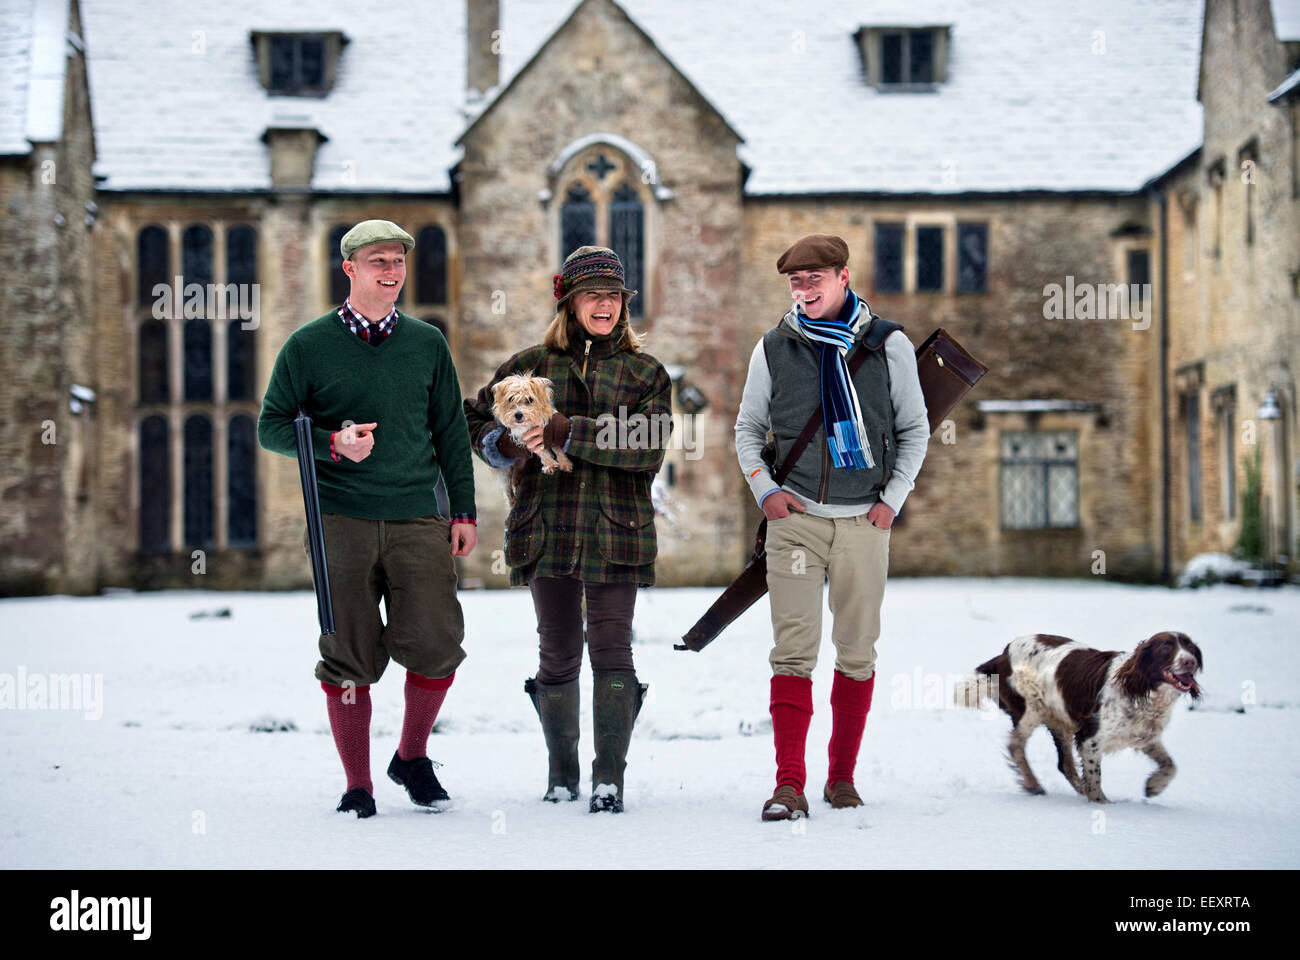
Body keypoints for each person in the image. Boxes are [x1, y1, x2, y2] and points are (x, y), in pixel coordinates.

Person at [257, 219, 478, 818]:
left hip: (416, 517)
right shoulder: (307, 346)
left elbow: (451, 432)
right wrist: (331, 441)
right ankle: (359, 784)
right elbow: (272, 426)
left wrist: (462, 509)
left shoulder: (427, 343)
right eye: (378, 261)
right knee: (348, 654)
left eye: (399, 262)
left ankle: (411, 755)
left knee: (437, 643)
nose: (391, 271)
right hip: (341, 520)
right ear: (349, 268)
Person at [463, 246, 672, 813]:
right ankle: (562, 775)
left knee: (612, 649)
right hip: (546, 525)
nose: (603, 305)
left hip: (616, 529)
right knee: (556, 652)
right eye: (592, 295)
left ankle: (610, 779)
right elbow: (474, 417)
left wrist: (566, 430)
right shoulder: (529, 366)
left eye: (613, 297)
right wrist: (507, 442)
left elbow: (649, 443)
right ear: (570, 303)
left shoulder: (644, 373)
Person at [734, 234, 929, 820]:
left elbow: (914, 430)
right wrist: (765, 491)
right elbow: (747, 430)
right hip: (796, 521)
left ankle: (841, 779)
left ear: (844, 276)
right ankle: (789, 784)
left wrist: (891, 500)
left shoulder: (888, 345)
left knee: (857, 652)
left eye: (816, 277)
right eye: (796, 281)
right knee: (793, 654)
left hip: (865, 522)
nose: (806, 288)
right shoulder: (773, 348)